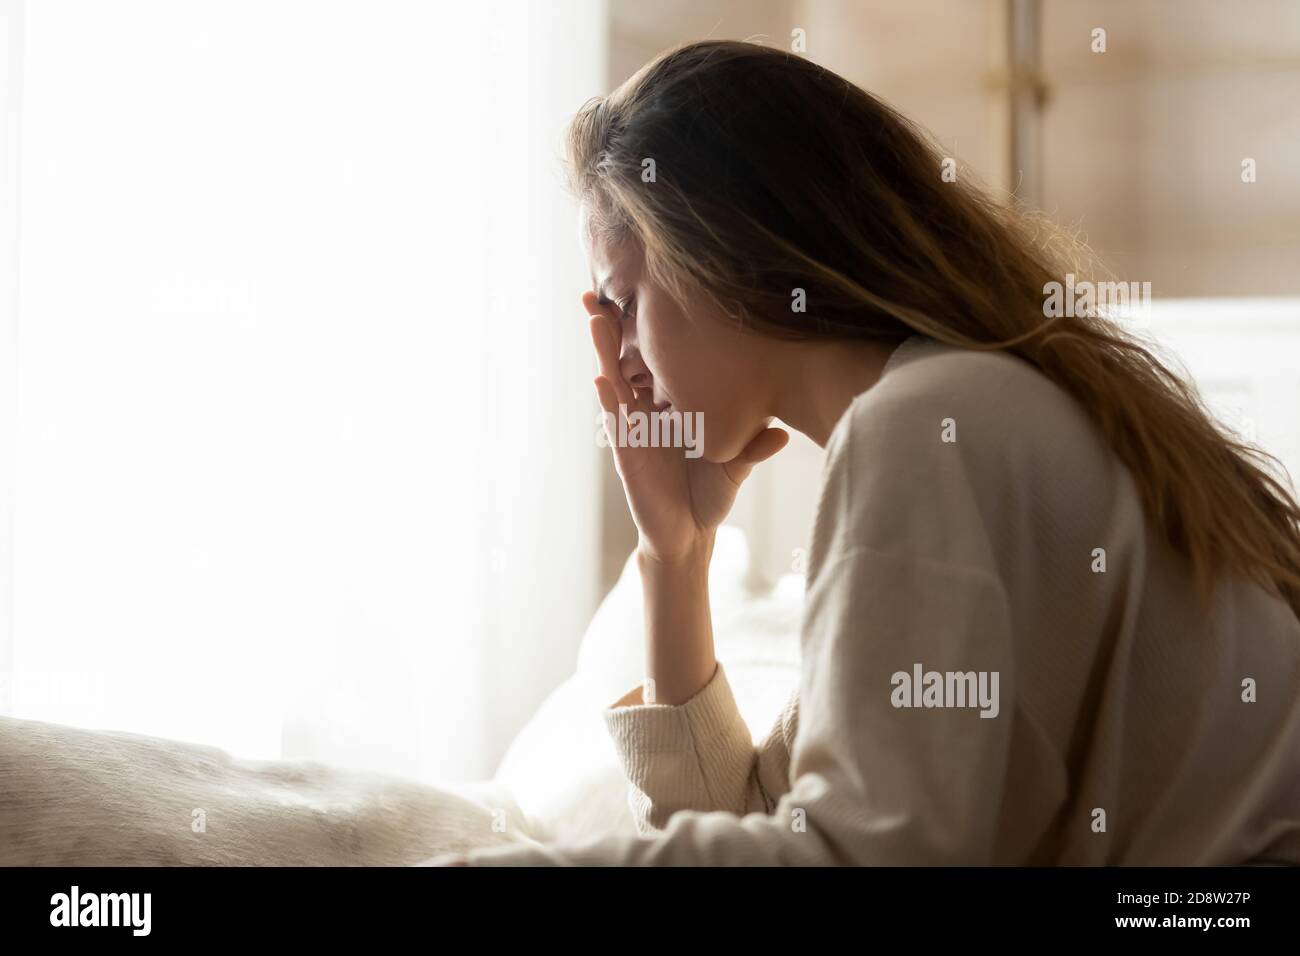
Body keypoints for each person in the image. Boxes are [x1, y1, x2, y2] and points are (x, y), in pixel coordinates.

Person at [436, 39, 1300, 866]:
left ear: (722, 248)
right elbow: (764, 825)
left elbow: (866, 859)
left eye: (624, 302)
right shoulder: (959, 411)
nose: (617, 355)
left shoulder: (934, 423)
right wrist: (675, 555)